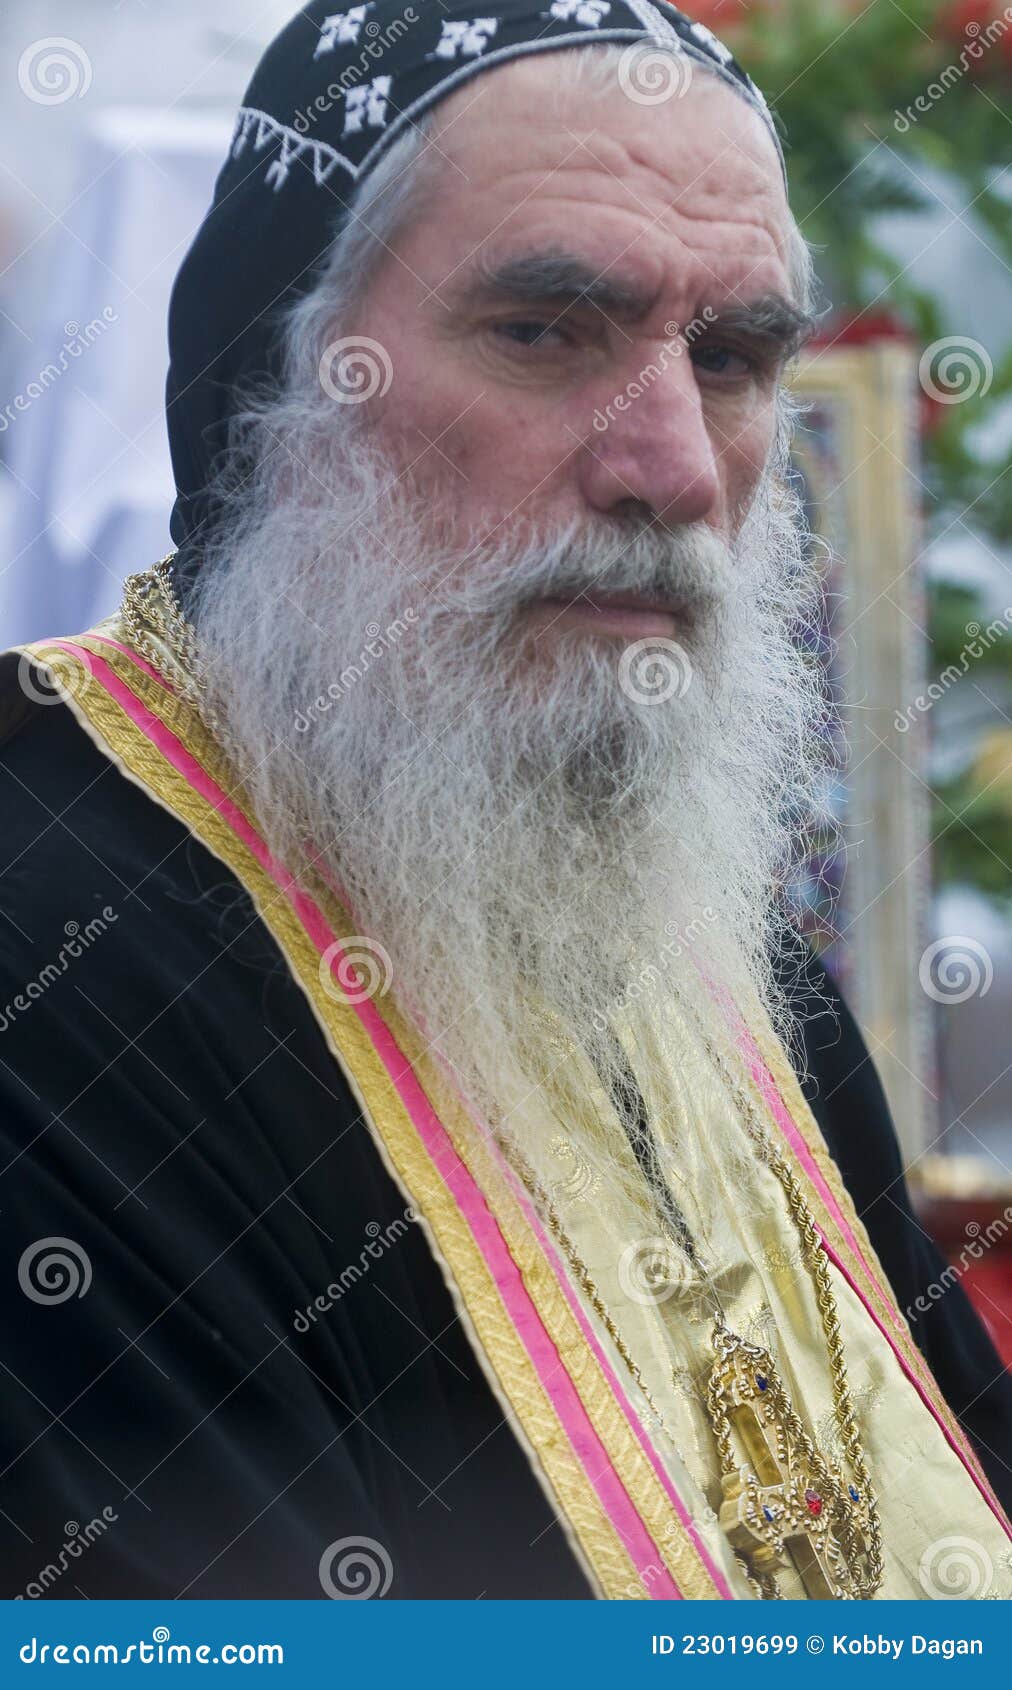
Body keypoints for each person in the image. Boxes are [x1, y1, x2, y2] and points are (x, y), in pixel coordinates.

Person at [1, 1, 1009, 1602]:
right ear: (279, 386)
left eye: (736, 357)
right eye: (547, 332)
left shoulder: (722, 948)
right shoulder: (47, 954)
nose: (675, 465)